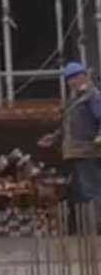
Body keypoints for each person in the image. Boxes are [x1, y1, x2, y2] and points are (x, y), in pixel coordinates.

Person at [42, 61, 101, 203]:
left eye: (74, 77)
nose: (71, 82)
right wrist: (54, 138)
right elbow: (67, 126)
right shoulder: (73, 102)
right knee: (80, 193)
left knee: (92, 191)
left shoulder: (93, 97)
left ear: (83, 76)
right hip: (74, 153)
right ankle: (90, 221)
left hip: (88, 152)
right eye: (69, 79)